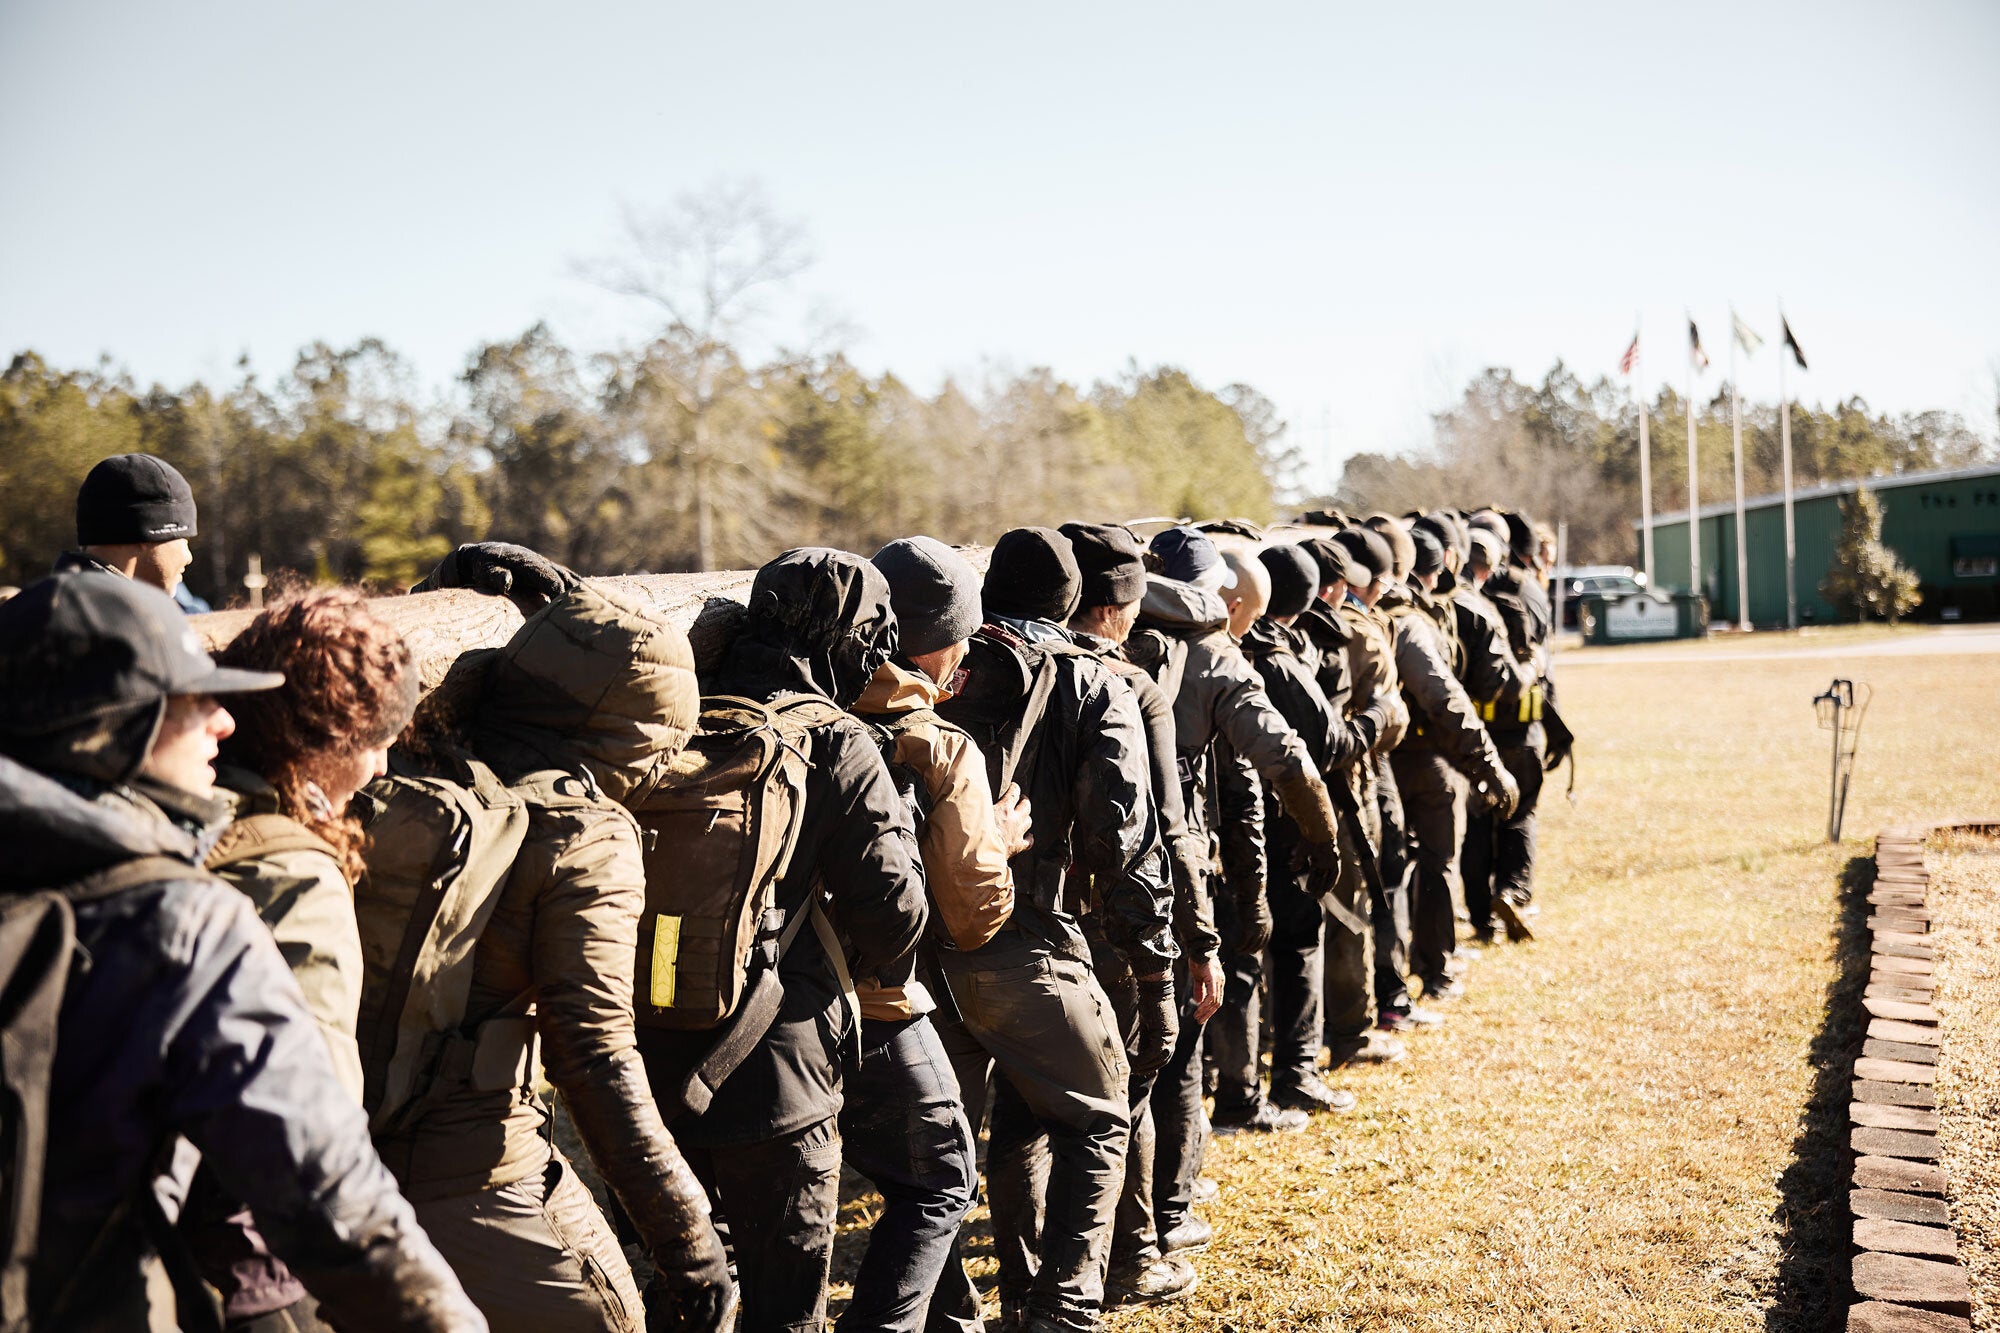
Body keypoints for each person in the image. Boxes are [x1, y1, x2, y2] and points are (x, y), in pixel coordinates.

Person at [0, 571, 484, 1332]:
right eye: (191, 699)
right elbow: (322, 1167)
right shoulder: (189, 918)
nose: (222, 720)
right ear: (114, 727)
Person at [368, 563, 731, 1333]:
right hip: (477, 1169)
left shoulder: (426, 762)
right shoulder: (587, 835)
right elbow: (594, 1054)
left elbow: (583, 658)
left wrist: (495, 590)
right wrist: (687, 1234)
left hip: (351, 1147)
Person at [640, 548, 930, 1333]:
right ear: (857, 641)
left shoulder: (670, 717)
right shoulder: (836, 741)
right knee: (784, 1310)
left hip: (649, 1067)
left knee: (684, 1296)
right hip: (781, 1076)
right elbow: (895, 914)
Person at [932, 525, 1176, 1333]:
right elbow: (1125, 837)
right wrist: (1153, 965)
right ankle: (1061, 1309)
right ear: (1076, 603)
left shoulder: (935, 669)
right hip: (1030, 940)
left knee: (949, 1148)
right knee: (1098, 1117)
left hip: (924, 949)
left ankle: (955, 1305)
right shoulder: (1094, 683)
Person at [183, 588, 420, 1331]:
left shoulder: (176, 809)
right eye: (373, 741)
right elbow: (317, 1118)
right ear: (320, 739)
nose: (381, 767)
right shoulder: (293, 871)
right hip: (251, 1261)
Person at [840, 536, 1021, 1333]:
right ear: (948, 642)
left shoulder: (809, 693)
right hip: (876, 1004)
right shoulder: (938, 744)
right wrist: (997, 839)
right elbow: (974, 914)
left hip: (760, 1003)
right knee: (943, 1176)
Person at [1133, 527, 1347, 1134]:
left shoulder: (1100, 634)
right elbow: (1285, 758)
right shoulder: (1212, 654)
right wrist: (1321, 833)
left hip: (1083, 858)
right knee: (1179, 1021)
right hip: (1179, 854)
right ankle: (1172, 1191)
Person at [1061, 521, 1220, 1308]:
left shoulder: (992, 668)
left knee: (1030, 1114)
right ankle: (1133, 1257)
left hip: (1012, 929)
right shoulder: (1131, 687)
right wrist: (1195, 941)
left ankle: (1032, 1282)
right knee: (1129, 1087)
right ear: (1122, 603)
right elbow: (1168, 827)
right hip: (1118, 925)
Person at [1375, 523, 1518, 1002]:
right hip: (1423, 761)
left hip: (1374, 763)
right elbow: (1444, 698)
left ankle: (1387, 984)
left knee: (1387, 872)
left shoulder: (1363, 614)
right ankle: (1431, 973)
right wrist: (1489, 766)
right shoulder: (1412, 620)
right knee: (1434, 865)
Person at [1294, 535, 1409, 1069]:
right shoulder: (1358, 634)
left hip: (1270, 792)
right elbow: (1392, 717)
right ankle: (1349, 1032)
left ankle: (1288, 1035)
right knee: (1347, 911)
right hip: (1343, 786)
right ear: (1340, 586)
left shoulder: (1257, 631)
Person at [53, 453, 202, 606]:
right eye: (185, 539)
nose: (188, 557)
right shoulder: (128, 622)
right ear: (146, 534)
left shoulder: (45, 601)